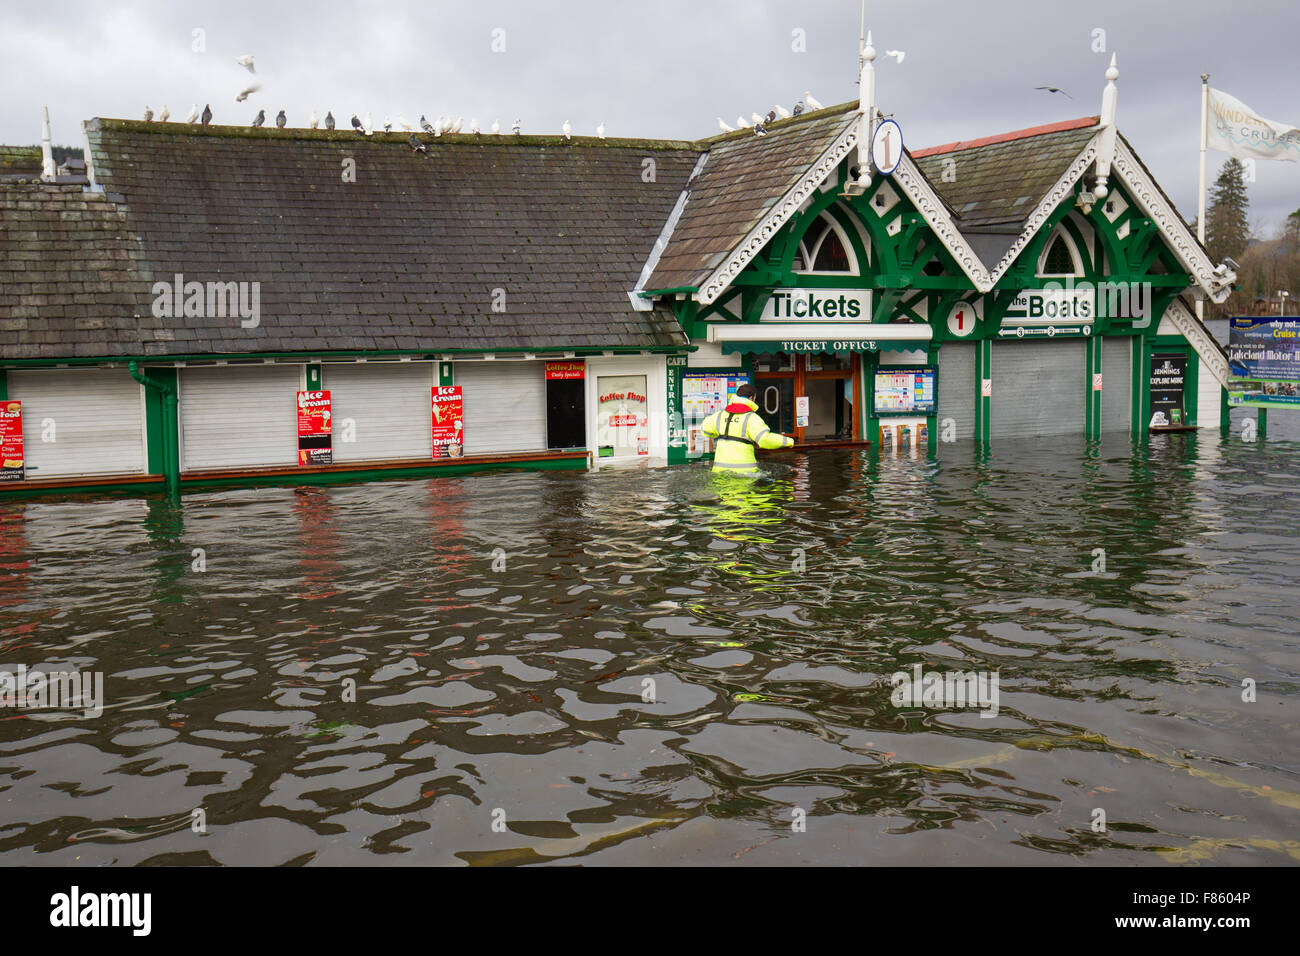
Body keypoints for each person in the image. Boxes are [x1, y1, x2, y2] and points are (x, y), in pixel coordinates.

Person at [700, 383, 794, 476]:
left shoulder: (719, 415)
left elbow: (705, 429)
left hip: (719, 472)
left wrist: (718, 434)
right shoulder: (751, 418)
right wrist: (788, 441)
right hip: (745, 473)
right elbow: (764, 440)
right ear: (751, 398)